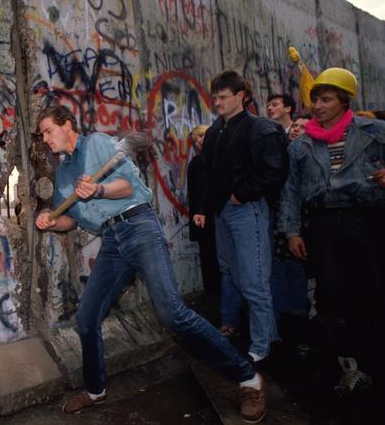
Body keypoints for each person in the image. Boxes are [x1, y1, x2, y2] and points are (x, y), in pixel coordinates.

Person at [35, 105, 266, 423]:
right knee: (87, 317)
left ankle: (248, 377)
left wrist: (98, 188)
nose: (46, 139)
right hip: (112, 239)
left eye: (48, 130)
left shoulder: (97, 144)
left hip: (138, 225)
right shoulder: (63, 173)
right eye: (43, 134)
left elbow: (127, 187)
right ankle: (95, 390)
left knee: (173, 314)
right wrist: (49, 220)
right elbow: (70, 222)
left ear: (67, 124)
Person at [278, 67, 385, 395]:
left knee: (375, 293)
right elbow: (290, 192)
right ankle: (350, 367)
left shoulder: (376, 130)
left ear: (344, 101)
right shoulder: (302, 146)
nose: (318, 105)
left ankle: (380, 363)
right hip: (325, 227)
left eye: (326, 99)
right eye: (315, 99)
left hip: (369, 225)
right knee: (332, 299)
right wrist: (292, 232)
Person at [192, 71, 288, 363]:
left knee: (254, 280)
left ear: (241, 96)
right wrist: (204, 207)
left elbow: (274, 170)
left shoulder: (261, 128)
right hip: (223, 213)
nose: (217, 102)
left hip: (248, 211)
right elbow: (209, 173)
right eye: (215, 97)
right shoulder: (214, 132)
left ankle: (262, 346)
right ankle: (261, 335)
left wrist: (241, 194)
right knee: (230, 273)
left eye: (223, 97)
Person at [187, 124, 219, 295]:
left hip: (222, 219)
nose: (199, 141)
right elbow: (194, 196)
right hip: (204, 223)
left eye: (201, 136)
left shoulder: (223, 159)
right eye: (195, 140)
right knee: (210, 265)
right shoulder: (195, 164)